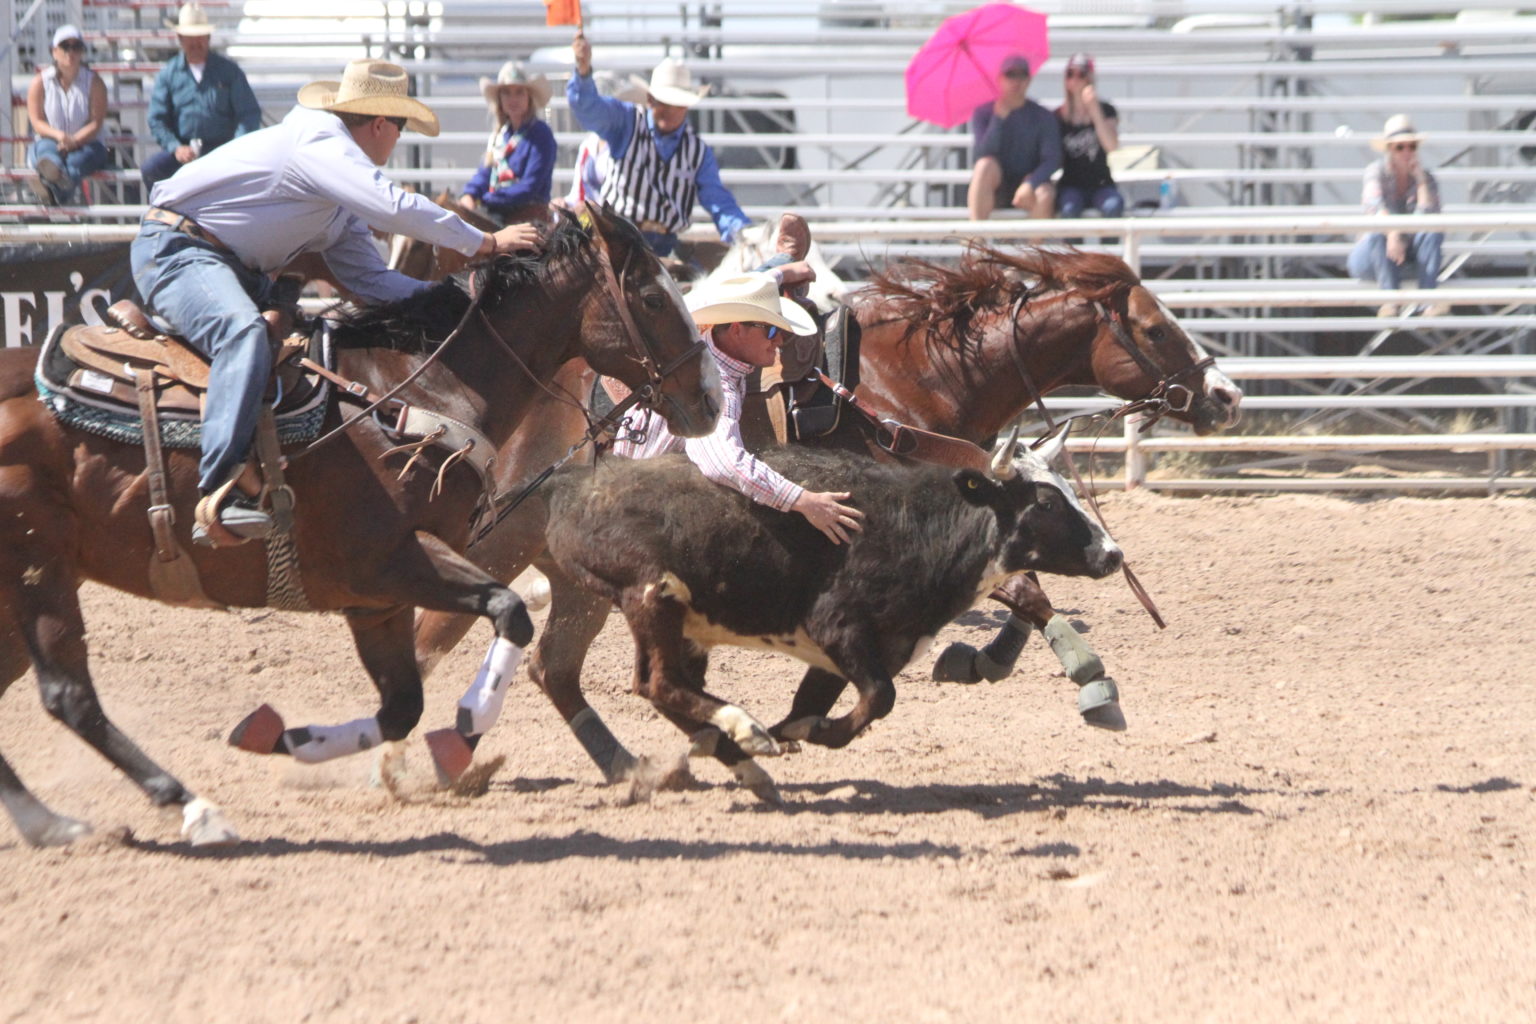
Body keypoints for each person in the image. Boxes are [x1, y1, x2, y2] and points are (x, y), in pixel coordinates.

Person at [131, 59, 543, 543]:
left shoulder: (335, 185)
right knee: (243, 332)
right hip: (178, 249)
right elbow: (393, 205)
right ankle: (220, 490)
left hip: (222, 263)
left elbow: (371, 281)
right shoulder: (322, 140)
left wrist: (458, 298)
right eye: (401, 128)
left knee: (307, 339)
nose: (396, 141)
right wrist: (486, 243)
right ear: (380, 124)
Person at [613, 270, 863, 545]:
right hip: (641, 520)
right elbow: (723, 463)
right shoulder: (712, 384)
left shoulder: (705, 354)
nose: (779, 341)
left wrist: (781, 271)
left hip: (639, 496)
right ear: (735, 329)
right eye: (771, 330)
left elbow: (734, 288)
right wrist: (803, 500)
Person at [567, 32, 750, 257]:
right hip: (618, 240)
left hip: (667, 246)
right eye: (663, 101)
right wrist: (583, 73)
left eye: (675, 103)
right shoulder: (627, 121)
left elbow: (719, 203)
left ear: (686, 106)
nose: (668, 110)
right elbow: (588, 109)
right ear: (650, 100)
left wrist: (744, 234)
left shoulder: (698, 152)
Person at [141, 4, 262, 196]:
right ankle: (165, 218)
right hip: (184, 151)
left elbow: (248, 114)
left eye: (200, 37)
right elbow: (156, 119)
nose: (196, 43)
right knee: (151, 169)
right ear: (180, 39)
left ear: (208, 38)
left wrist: (234, 149)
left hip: (222, 149)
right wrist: (176, 147)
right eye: (190, 38)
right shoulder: (169, 74)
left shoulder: (229, 72)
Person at [1347, 114, 1448, 318]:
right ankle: (1390, 300)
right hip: (1374, 258)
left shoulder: (1427, 178)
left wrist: (1420, 182)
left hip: (1410, 257)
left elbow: (1428, 219)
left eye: (1412, 146)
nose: (1407, 152)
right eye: (1399, 147)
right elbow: (1374, 206)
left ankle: (1426, 304)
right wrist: (1393, 233)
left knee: (1432, 233)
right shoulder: (1375, 171)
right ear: (1389, 150)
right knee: (1377, 234)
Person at [459, 61, 556, 224]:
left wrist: (487, 199)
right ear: (500, 99)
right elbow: (485, 174)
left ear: (529, 97)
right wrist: (469, 195)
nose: (513, 99)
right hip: (496, 212)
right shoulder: (500, 136)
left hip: (530, 220)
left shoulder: (541, 135)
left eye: (519, 92)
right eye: (506, 93)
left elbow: (530, 187)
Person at [968, 54, 1060, 221]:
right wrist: (998, 120)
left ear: (1029, 79)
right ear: (1000, 78)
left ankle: (1034, 248)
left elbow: (1052, 159)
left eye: (1022, 75)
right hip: (996, 188)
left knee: (1045, 193)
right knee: (984, 165)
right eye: (1010, 75)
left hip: (1029, 185)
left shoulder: (1042, 116)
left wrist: (1030, 183)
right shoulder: (984, 112)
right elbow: (981, 154)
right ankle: (976, 240)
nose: (1016, 81)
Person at [25, 24, 109, 205]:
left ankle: (48, 193)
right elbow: (37, 122)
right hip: (52, 140)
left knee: (75, 163)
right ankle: (53, 187)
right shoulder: (40, 82)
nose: (70, 52)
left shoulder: (95, 82)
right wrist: (61, 136)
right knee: (47, 153)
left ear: (82, 52)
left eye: (76, 47)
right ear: (54, 51)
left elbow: (96, 123)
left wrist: (74, 141)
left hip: (88, 143)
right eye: (65, 47)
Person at [1054, 53, 1124, 219]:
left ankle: (1109, 246)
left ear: (1090, 78)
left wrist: (1095, 112)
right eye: (1070, 74)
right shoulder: (1058, 115)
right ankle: (1073, 246)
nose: (1075, 79)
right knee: (1069, 209)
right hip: (1071, 184)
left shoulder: (1106, 110)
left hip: (1101, 183)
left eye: (1081, 74)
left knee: (1113, 206)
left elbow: (1111, 146)